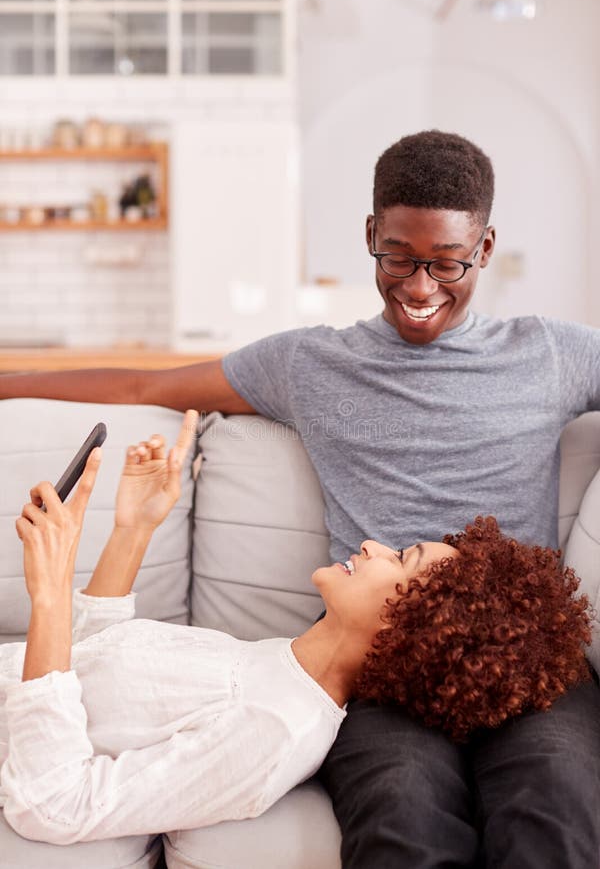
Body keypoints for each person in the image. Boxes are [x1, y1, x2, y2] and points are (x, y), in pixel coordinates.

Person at [1, 128, 599, 866]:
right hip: (380, 648)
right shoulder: (311, 363)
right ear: (371, 236)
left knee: (554, 798)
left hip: (526, 649)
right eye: (398, 258)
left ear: (485, 246)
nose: (420, 288)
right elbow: (141, 386)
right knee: (402, 806)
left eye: (447, 262)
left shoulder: (550, 353)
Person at [0, 412, 592, 848]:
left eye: (400, 558)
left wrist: (50, 593)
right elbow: (91, 667)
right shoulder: (280, 662)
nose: (371, 544)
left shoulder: (277, 727)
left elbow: (54, 803)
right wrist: (133, 531)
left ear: (421, 628)